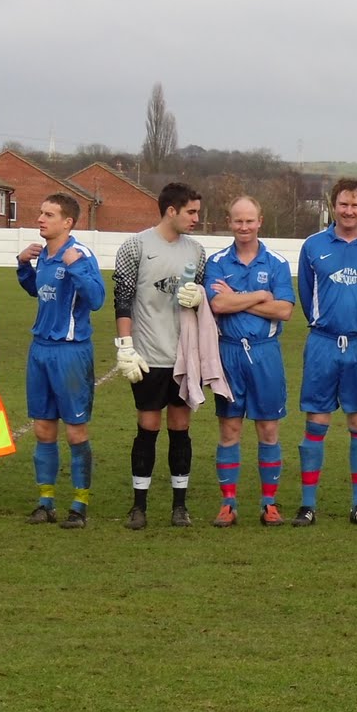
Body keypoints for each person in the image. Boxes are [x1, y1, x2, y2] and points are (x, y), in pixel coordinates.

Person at [112, 182, 208, 529]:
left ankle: (179, 506)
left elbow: (200, 301)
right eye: (192, 211)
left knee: (180, 427)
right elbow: (122, 297)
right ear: (171, 210)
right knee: (148, 426)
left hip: (183, 358)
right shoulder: (135, 246)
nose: (197, 218)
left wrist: (200, 298)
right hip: (149, 355)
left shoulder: (197, 251)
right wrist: (125, 345)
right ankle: (139, 506)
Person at [294, 178, 357, 526]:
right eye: (343, 204)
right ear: (333, 206)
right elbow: (306, 294)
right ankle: (307, 505)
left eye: (356, 205)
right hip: (322, 343)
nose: (349, 211)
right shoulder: (314, 246)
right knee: (316, 422)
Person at [16, 193, 106, 529]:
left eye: (49, 214)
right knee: (42, 429)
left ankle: (79, 503)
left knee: (76, 431)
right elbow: (37, 292)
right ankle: (46, 501)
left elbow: (97, 299)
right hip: (39, 349)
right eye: (40, 212)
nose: (40, 218)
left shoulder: (79, 254)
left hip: (70, 351)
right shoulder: (43, 255)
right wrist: (24, 265)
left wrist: (76, 267)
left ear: (67, 222)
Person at [204, 196, 295, 528]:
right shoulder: (216, 261)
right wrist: (259, 296)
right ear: (230, 222)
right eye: (238, 221)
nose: (244, 227)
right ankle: (228, 503)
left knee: (268, 429)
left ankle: (269, 503)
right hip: (227, 353)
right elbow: (216, 305)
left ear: (260, 221)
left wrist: (236, 298)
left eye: (249, 221)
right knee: (229, 429)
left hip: (265, 353)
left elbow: (284, 309)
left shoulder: (276, 263)